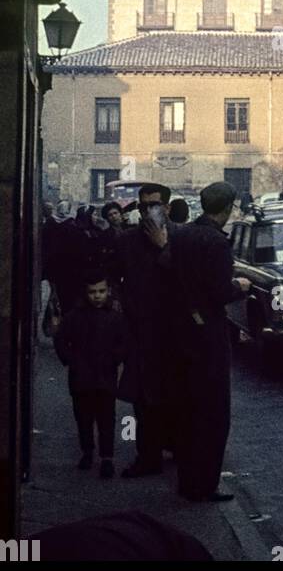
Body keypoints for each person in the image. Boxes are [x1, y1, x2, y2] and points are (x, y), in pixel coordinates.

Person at [170, 182, 250, 502]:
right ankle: (204, 485)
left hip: (183, 329)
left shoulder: (184, 235)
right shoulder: (216, 242)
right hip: (208, 333)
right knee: (214, 413)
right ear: (227, 208)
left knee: (189, 409)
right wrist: (240, 285)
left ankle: (188, 481)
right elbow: (219, 291)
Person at [116, 184, 181, 478]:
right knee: (143, 400)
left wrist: (163, 246)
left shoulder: (181, 237)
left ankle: (175, 446)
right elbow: (114, 275)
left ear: (166, 208)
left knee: (175, 396)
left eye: (153, 206)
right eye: (142, 207)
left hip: (173, 333)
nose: (147, 212)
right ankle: (148, 456)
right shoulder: (128, 240)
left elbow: (187, 280)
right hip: (141, 331)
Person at [53, 272, 127, 477]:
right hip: (87, 375)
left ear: (108, 291)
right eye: (93, 292)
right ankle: (91, 452)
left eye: (101, 291)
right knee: (85, 418)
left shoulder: (113, 317)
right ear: (86, 293)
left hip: (98, 375)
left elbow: (123, 342)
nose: (97, 296)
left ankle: (104, 456)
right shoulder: (76, 317)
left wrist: (115, 357)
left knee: (104, 419)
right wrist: (71, 359)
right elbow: (60, 340)